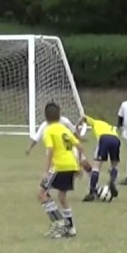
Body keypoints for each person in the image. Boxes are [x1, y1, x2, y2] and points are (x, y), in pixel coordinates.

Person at [37, 102, 85, 238]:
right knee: (62, 197)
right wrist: (79, 166)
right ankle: (71, 228)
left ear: (46, 117)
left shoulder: (48, 130)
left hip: (60, 166)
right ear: (59, 116)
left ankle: (59, 225)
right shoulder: (64, 129)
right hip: (71, 165)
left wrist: (46, 172)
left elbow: (51, 150)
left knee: (41, 194)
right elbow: (80, 146)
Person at [80, 113, 120, 201]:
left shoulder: (96, 122)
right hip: (116, 140)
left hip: (104, 138)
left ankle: (92, 191)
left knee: (96, 167)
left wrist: (78, 125)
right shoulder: (111, 127)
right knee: (114, 165)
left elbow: (84, 118)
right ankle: (112, 181)